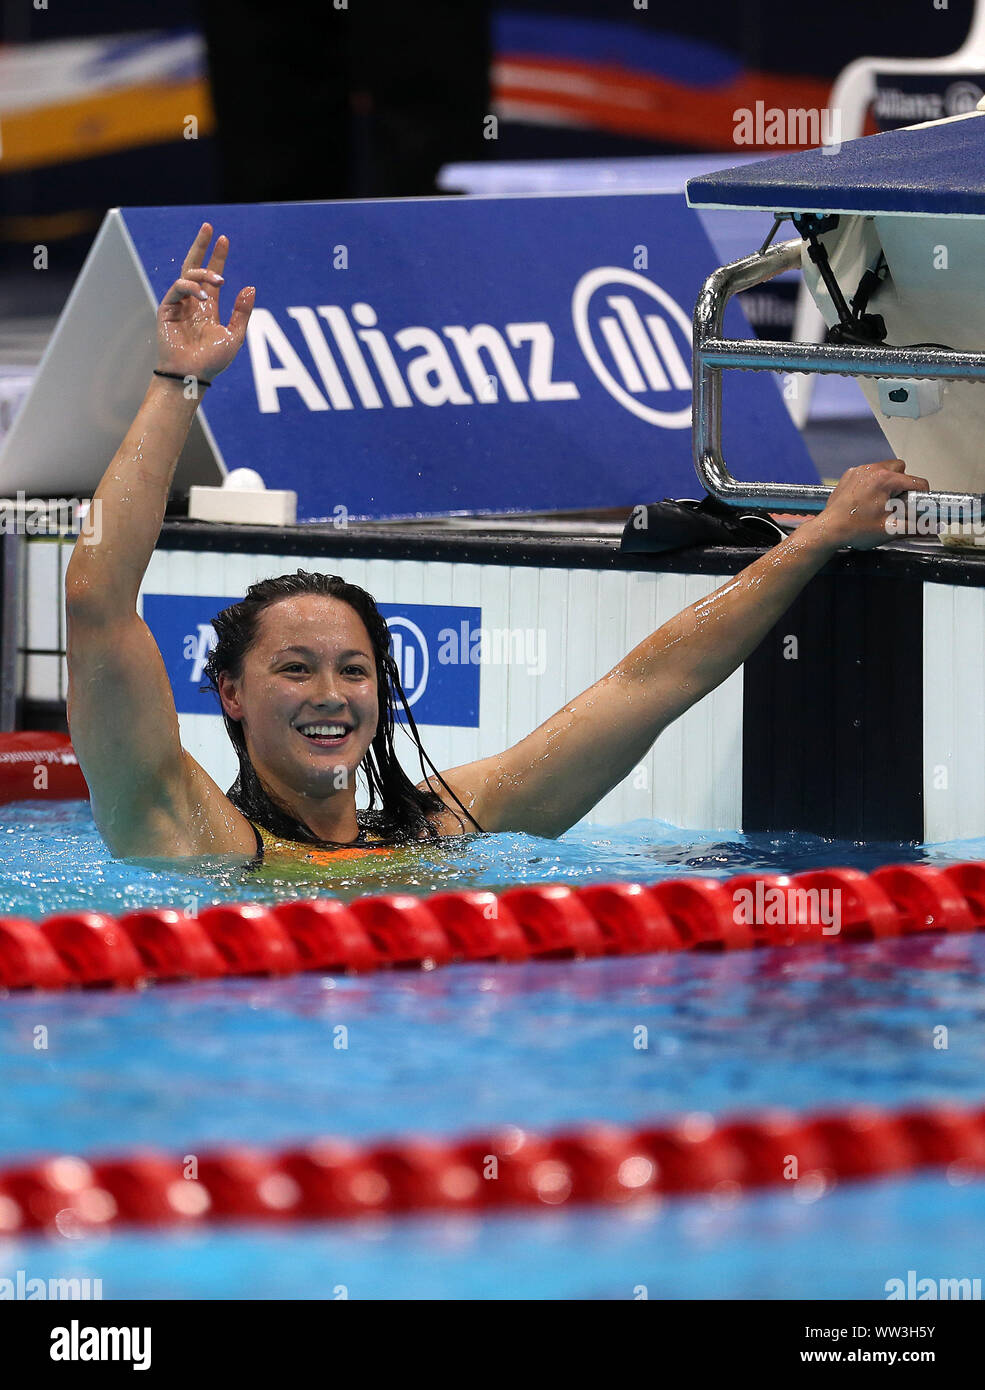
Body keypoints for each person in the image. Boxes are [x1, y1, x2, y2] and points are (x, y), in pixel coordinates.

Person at [65, 224, 929, 863]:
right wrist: (177, 383)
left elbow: (649, 683)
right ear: (230, 694)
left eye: (353, 669)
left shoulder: (444, 828)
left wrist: (815, 538)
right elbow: (97, 605)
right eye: (294, 668)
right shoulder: (189, 832)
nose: (330, 694)